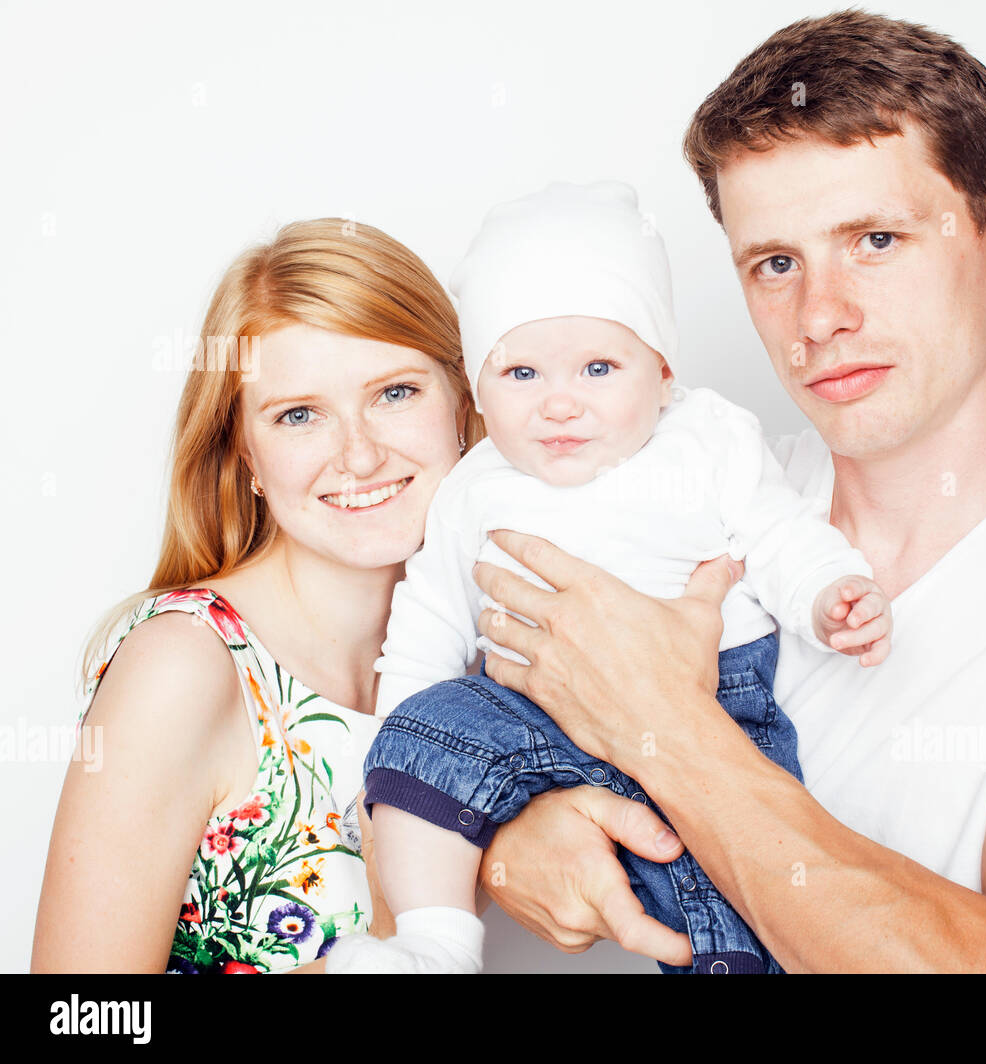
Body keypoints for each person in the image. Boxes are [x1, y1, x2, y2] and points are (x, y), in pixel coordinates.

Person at [469, 10, 986, 972]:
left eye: (877, 241)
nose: (821, 316)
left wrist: (670, 732)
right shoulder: (692, 501)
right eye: (777, 263)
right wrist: (506, 841)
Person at [324, 180, 890, 975]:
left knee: (726, 898)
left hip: (713, 706)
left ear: (661, 373)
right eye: (521, 374)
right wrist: (398, 744)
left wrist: (830, 595)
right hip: (525, 714)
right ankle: (434, 943)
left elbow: (780, 534)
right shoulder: (475, 485)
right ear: (477, 391)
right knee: (419, 740)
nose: (559, 404)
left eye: (597, 368)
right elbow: (430, 616)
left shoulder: (706, 439)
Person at [31, 218, 484, 973]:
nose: (360, 453)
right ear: (247, 456)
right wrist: (377, 938)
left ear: (463, 403)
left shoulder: (478, 653)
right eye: (299, 415)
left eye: (395, 392)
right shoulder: (183, 666)